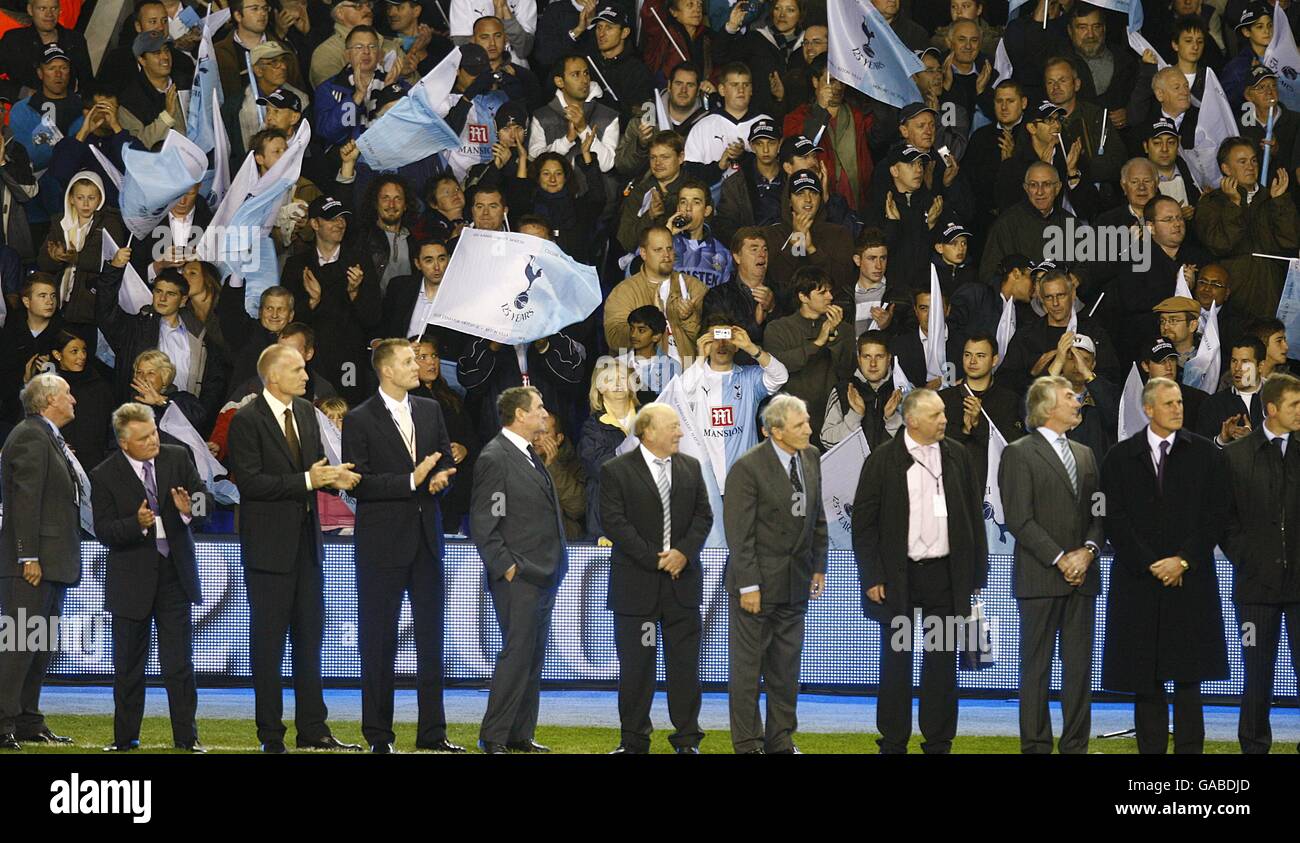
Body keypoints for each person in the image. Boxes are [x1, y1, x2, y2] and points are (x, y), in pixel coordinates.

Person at [226, 344, 362, 753]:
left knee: (309, 640)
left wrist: (334, 476)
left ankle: (314, 730)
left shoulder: (306, 412)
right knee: (268, 645)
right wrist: (308, 480)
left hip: (307, 545)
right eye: (299, 370)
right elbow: (249, 484)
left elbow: (315, 467)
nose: (307, 376)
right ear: (274, 377)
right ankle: (271, 735)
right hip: (268, 550)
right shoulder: (245, 420)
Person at [342, 339, 462, 753]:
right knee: (378, 642)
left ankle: (433, 733)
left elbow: (445, 458)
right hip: (381, 546)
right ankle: (378, 735)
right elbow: (359, 483)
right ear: (386, 370)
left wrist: (442, 477)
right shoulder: (359, 419)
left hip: (427, 541)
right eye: (409, 361)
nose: (420, 366)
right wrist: (413, 480)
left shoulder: (429, 409)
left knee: (432, 642)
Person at [852, 387, 986, 753]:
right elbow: (864, 526)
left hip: (943, 580)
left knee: (941, 665)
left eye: (944, 413)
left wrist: (975, 575)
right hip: (900, 581)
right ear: (912, 421)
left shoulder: (957, 456)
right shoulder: (882, 461)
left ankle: (938, 741)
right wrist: (872, 576)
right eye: (936, 415)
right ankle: (893, 741)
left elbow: (974, 517)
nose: (945, 420)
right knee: (897, 663)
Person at [1100, 377, 1229, 754]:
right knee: (1146, 680)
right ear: (1149, 409)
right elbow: (1113, 518)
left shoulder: (1207, 455)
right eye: (1169, 403)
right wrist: (1151, 563)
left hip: (1190, 584)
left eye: (1179, 402)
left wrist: (1183, 560)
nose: (1178, 408)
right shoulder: (1120, 458)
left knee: (1190, 679)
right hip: (1139, 584)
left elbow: (1217, 516)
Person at [92, 403, 208, 752]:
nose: (154, 440)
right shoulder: (104, 474)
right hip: (131, 582)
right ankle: (125, 739)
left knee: (179, 665)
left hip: (175, 576)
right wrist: (135, 525)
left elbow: (206, 499)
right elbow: (104, 531)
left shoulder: (177, 456)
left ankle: (187, 739)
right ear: (125, 443)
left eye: (154, 432)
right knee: (128, 667)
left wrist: (191, 509)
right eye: (144, 438)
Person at [999, 375, 1105, 754]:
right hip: (1041, 577)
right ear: (1046, 407)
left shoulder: (1086, 454)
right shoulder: (1018, 452)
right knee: (1037, 669)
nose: (1078, 401)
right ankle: (1036, 747)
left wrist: (1089, 550)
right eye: (1069, 396)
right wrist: (1061, 559)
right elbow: (1018, 518)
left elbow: (1100, 511)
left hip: (1083, 579)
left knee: (1079, 671)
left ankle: (1076, 746)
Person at [599, 402, 711, 754]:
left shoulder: (691, 468)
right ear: (648, 432)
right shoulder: (616, 471)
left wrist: (683, 554)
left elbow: (703, 517)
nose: (680, 432)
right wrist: (657, 559)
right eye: (673, 426)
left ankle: (687, 739)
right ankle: (633, 740)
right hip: (637, 588)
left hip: (682, 586)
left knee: (685, 668)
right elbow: (614, 522)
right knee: (636, 670)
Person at [723, 394, 827, 754]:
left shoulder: (811, 457)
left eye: (807, 422)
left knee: (785, 670)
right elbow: (740, 534)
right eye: (801, 425)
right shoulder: (747, 468)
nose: (809, 430)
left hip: (795, 584)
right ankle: (748, 744)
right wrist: (750, 584)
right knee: (748, 672)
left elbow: (818, 517)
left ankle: (781, 740)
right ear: (776, 432)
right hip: (756, 588)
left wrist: (818, 566)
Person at [470, 386, 568, 753]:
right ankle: (493, 736)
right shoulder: (495, 457)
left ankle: (519, 734)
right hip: (520, 577)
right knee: (517, 656)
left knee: (531, 657)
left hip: (543, 573)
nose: (545, 413)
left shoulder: (528, 454)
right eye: (539, 407)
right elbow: (485, 523)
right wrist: (507, 567)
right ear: (520, 415)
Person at [0, 374, 84, 750]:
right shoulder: (31, 435)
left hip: (49, 562)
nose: (74, 401)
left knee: (38, 646)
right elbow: (25, 499)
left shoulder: (47, 435)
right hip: (31, 565)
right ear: (49, 399)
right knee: (19, 645)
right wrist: (27, 555)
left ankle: (28, 720)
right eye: (67, 394)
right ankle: (3, 723)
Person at [1222, 372, 1300, 753]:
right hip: (1254, 588)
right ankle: (1253, 747)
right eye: (1294, 405)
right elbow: (1224, 520)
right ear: (1271, 409)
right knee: (1257, 674)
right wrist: (1248, 559)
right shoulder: (1236, 456)